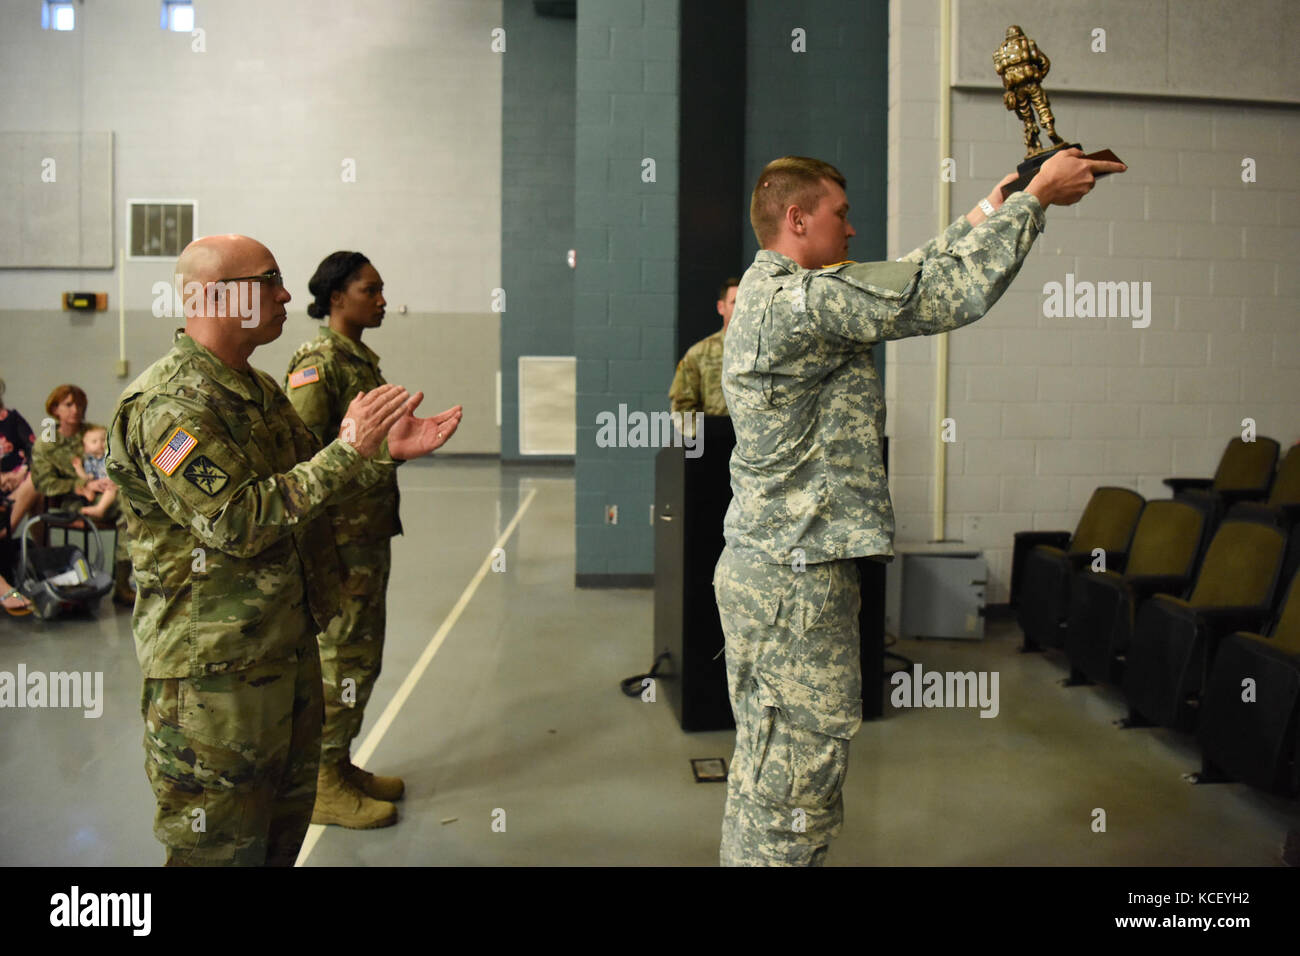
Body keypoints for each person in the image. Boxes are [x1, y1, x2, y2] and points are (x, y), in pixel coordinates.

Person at [715, 149, 1126, 866]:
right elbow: (942, 295)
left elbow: (900, 278)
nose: (850, 230)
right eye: (840, 215)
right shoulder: (801, 304)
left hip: (779, 573)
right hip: (794, 584)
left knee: (767, 773)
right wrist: (1038, 203)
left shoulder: (781, 293)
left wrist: (991, 209)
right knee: (795, 789)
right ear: (797, 217)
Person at [106, 234, 462, 866]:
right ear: (217, 297)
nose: (286, 295)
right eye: (269, 281)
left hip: (281, 654)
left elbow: (312, 483)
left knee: (277, 842)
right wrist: (350, 449)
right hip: (215, 683)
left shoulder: (258, 390)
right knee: (218, 851)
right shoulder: (169, 406)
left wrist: (380, 453)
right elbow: (240, 520)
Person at [284, 251, 460, 829]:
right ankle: (321, 783)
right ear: (337, 297)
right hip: (337, 541)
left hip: (363, 535)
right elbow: (307, 457)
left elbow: (361, 450)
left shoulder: (358, 359)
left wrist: (395, 448)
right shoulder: (318, 363)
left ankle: (339, 762)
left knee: (362, 656)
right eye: (371, 289)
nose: (382, 300)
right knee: (343, 660)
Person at [31, 384, 132, 604]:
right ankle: (122, 586)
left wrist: (112, 477)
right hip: (73, 502)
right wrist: (81, 485)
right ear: (55, 409)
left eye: (80, 404)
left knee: (132, 507)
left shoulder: (95, 432)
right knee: (126, 507)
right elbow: (43, 483)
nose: (76, 409)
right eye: (69, 405)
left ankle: (123, 583)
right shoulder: (48, 443)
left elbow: (119, 457)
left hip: (108, 495)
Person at [669, 277, 739, 418]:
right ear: (721, 307)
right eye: (735, 302)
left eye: (747, 302)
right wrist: (701, 436)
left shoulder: (768, 352)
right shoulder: (700, 354)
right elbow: (681, 407)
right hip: (714, 435)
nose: (742, 308)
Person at [0, 374, 41, 538]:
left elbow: (34, 449)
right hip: (3, 485)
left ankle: (7, 531)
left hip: (19, 482)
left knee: (38, 479)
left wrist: (22, 473)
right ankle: (41, 553)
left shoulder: (12, 418)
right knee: (39, 492)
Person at [72, 426, 117, 520]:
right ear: (86, 447)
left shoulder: (109, 456)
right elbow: (88, 477)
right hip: (96, 484)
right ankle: (88, 495)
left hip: (109, 483)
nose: (100, 444)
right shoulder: (89, 460)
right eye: (94, 442)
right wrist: (79, 468)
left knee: (112, 488)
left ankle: (100, 509)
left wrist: (110, 479)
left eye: (103, 440)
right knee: (83, 486)